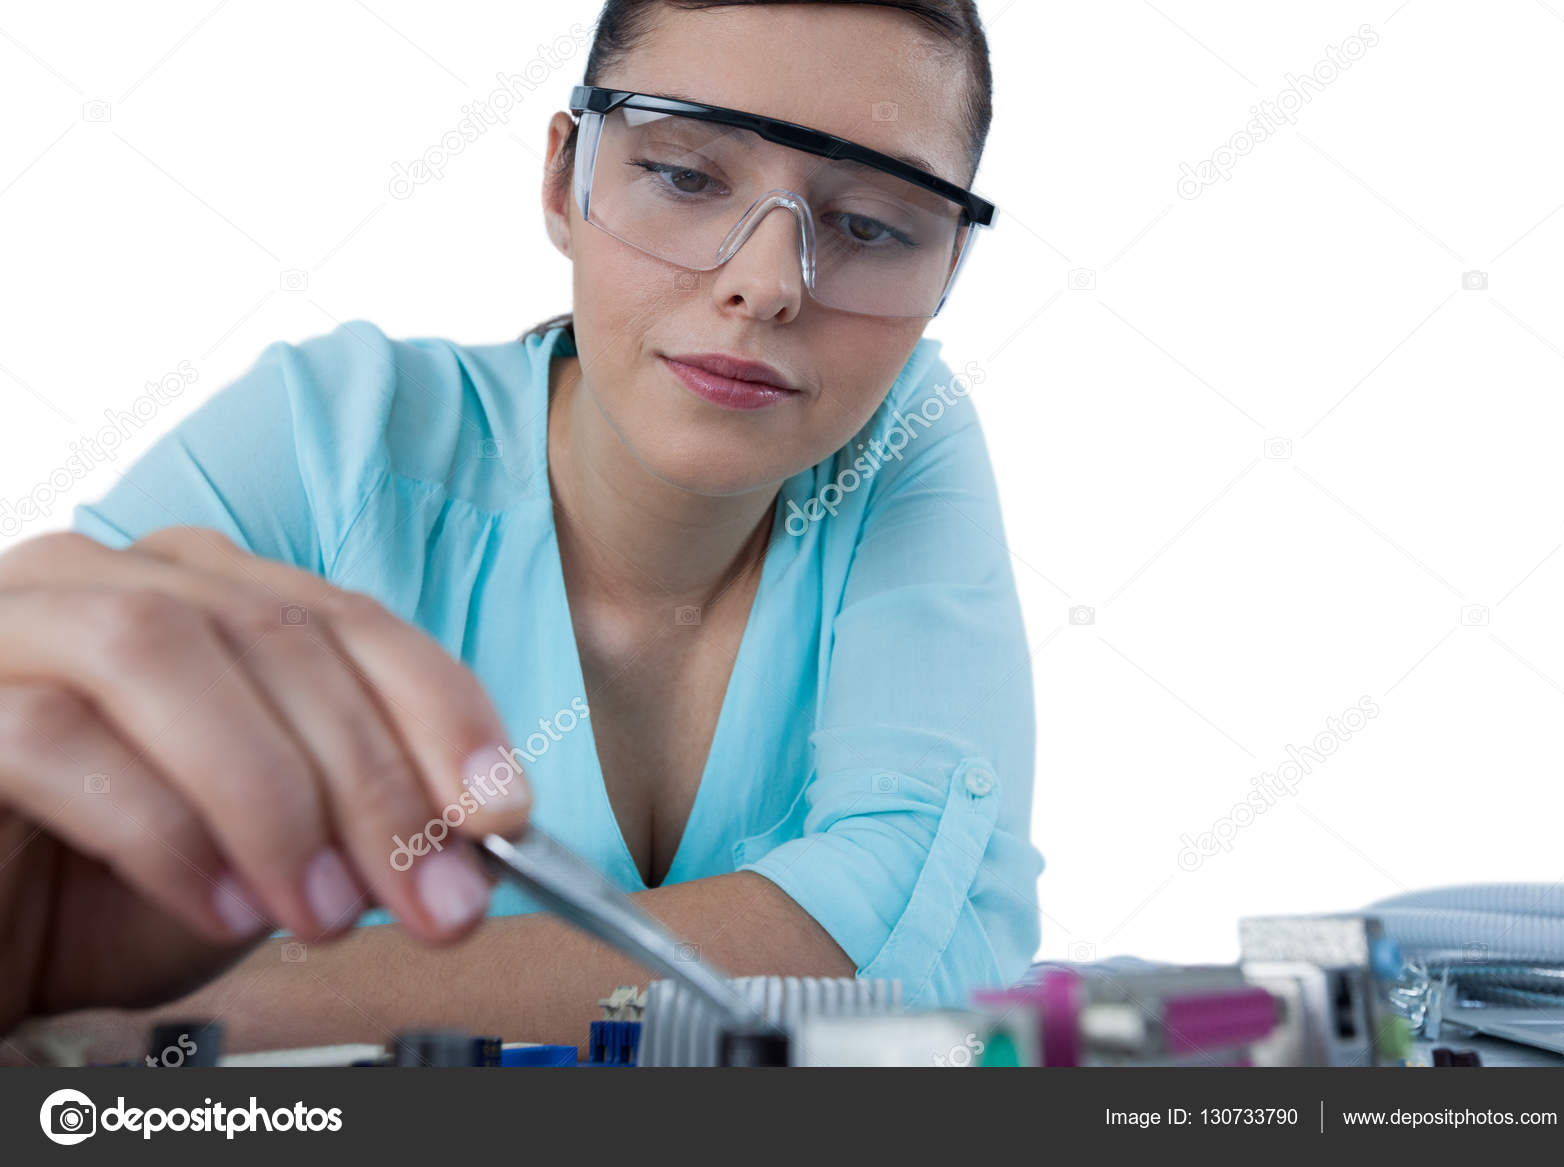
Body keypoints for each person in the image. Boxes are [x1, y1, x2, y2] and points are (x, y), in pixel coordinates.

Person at [0, 0, 1042, 1061]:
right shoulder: (328, 441)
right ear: (563, 177)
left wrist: (167, 1028)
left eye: (871, 225)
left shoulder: (898, 431)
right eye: (685, 175)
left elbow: (911, 936)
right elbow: (44, 817)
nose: (765, 285)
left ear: (948, 267)